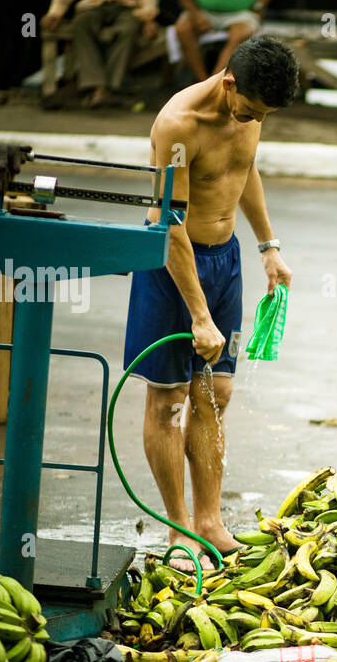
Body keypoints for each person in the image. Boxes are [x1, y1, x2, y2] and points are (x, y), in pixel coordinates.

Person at [124, 35, 297, 571]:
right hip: (173, 265)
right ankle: (179, 528)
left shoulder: (250, 111)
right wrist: (198, 313)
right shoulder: (178, 125)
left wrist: (268, 247)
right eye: (250, 110)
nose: (253, 121)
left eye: (262, 116)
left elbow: (243, 171)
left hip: (226, 260)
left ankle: (209, 521)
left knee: (215, 391)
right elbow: (170, 222)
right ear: (228, 85)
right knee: (169, 398)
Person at [42, 0, 160, 109]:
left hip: (128, 7)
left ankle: (112, 88)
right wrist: (55, 12)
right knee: (81, 24)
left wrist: (148, 17)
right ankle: (96, 85)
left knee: (128, 30)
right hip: (95, 4)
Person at [174, 0, 282, 83]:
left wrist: (260, 3)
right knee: (183, 29)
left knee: (240, 35)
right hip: (202, 11)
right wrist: (197, 16)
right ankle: (202, 82)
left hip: (242, 13)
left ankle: (214, 84)